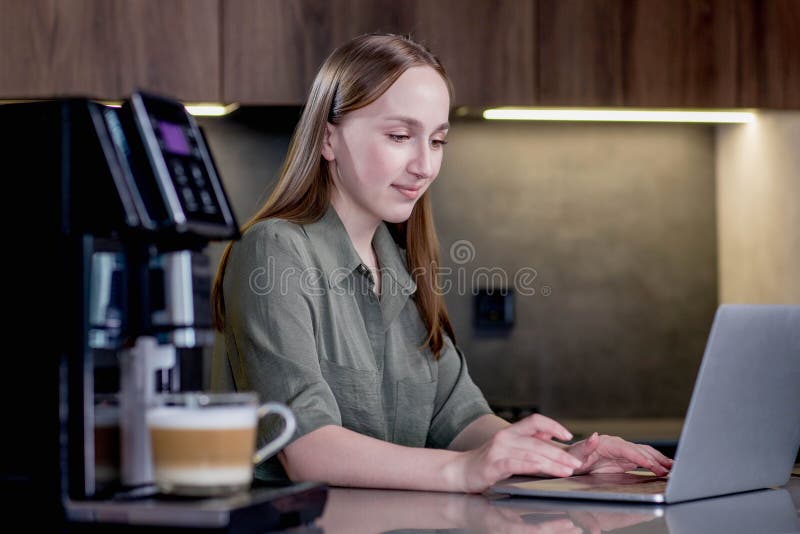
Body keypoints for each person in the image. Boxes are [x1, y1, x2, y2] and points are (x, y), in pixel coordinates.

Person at [210, 33, 673, 493]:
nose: (424, 166)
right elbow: (307, 450)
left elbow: (461, 418)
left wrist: (569, 459)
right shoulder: (274, 250)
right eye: (399, 136)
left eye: (436, 141)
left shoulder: (401, 268)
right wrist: (462, 470)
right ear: (329, 139)